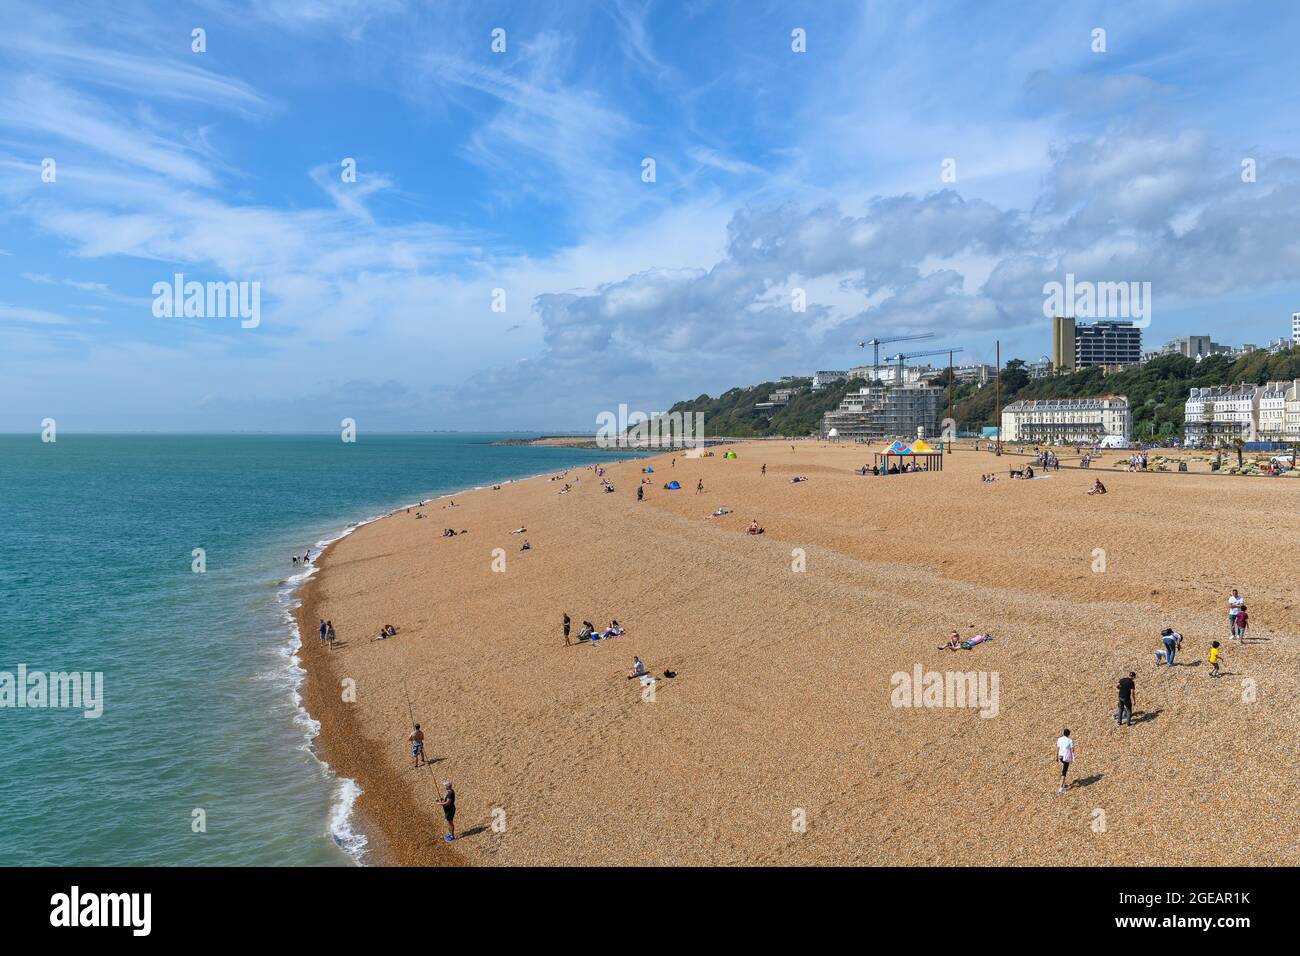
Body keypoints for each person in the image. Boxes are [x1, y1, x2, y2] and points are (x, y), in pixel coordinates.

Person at [1056, 729, 1075, 793]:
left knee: (1064, 770)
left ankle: (1062, 784)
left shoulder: (1059, 739)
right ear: (1068, 734)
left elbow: (1058, 748)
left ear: (1063, 733)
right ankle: (1061, 788)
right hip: (1066, 757)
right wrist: (1072, 758)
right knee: (1064, 773)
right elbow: (1072, 749)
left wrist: (1056, 757)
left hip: (1060, 757)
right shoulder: (1070, 740)